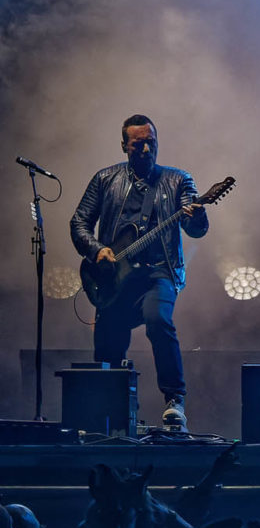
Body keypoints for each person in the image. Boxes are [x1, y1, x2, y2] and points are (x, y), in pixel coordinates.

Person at [70, 114, 209, 429]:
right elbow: (79, 222)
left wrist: (197, 215)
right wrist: (97, 250)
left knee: (159, 320)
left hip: (158, 274)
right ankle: (109, 415)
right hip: (115, 279)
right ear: (124, 146)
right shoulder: (105, 179)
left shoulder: (178, 180)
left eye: (151, 142)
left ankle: (175, 400)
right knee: (108, 343)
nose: (146, 150)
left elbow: (195, 229)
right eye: (138, 144)